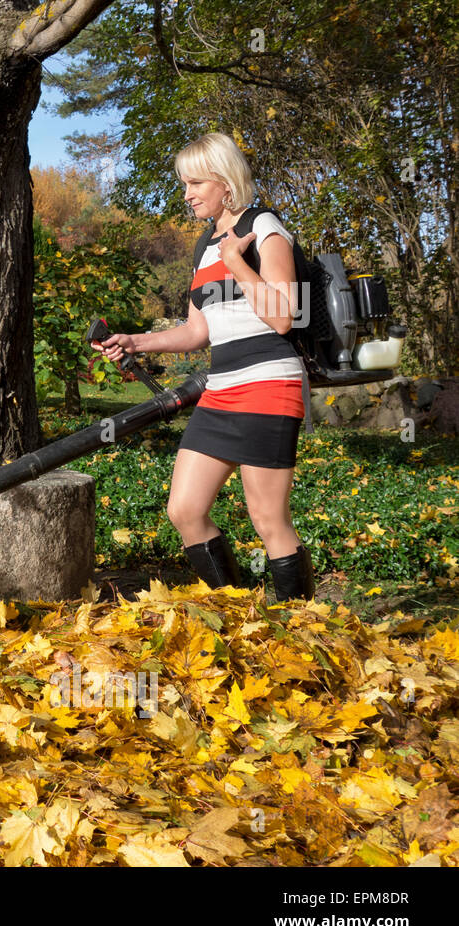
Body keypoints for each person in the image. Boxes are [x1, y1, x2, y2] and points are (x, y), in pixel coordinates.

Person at [92, 131, 315, 602]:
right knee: (185, 510)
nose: (187, 194)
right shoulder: (204, 245)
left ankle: (302, 629)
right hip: (222, 389)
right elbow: (197, 331)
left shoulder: (265, 228)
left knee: (268, 519)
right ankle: (237, 613)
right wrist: (136, 339)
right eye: (184, 184)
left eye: (195, 183)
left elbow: (282, 316)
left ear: (225, 182)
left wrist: (238, 262)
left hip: (268, 382)